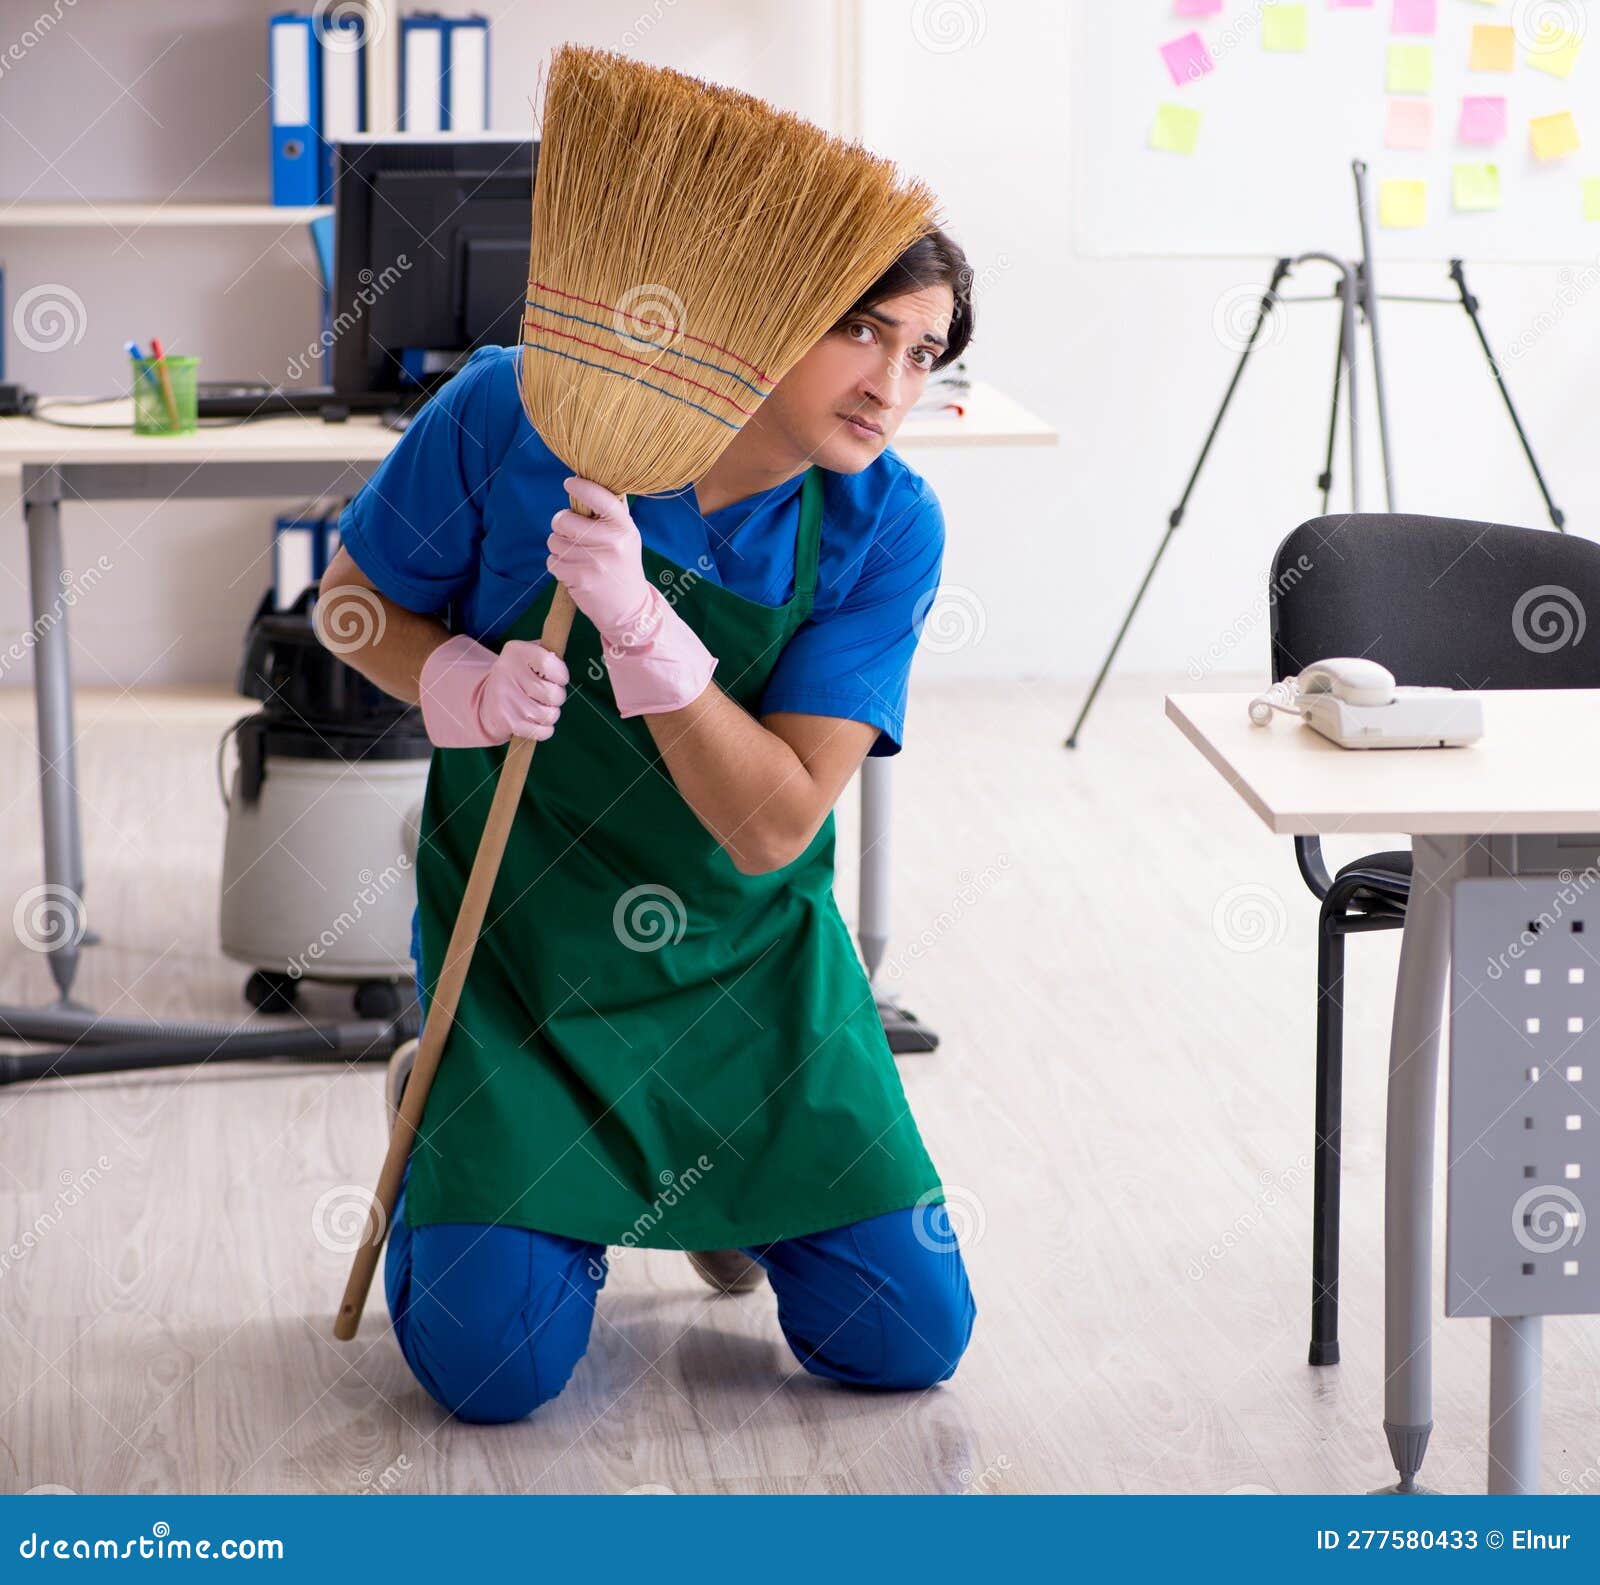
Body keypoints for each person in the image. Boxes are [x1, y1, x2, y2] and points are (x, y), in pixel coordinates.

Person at [319, 227, 979, 1425]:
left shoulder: (885, 523)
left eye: (922, 352)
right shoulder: (518, 409)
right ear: (766, 308)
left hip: (751, 966)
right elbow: (351, 608)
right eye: (860, 330)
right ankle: (455, 1107)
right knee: (494, 1371)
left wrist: (642, 629)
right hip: (524, 955)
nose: (890, 385)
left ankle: (720, 1193)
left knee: (906, 1336)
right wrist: (457, 681)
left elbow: (773, 827)